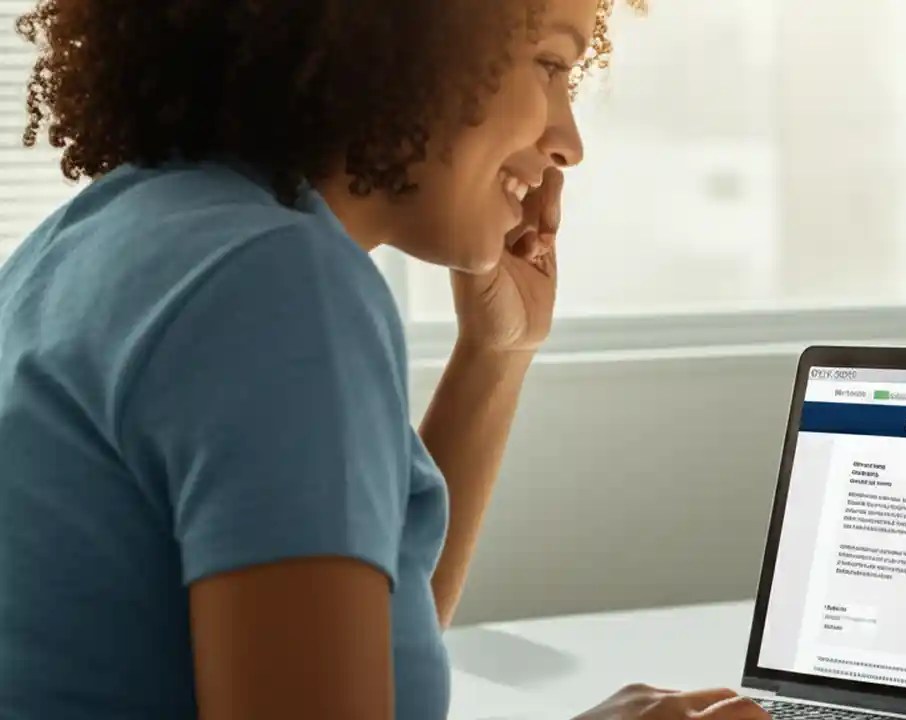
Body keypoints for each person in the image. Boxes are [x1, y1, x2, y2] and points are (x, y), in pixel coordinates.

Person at [0, 0, 770, 718]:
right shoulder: (273, 281)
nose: (569, 139)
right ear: (412, 32)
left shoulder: (94, 239)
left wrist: (495, 356)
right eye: (550, 65)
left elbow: (357, 645)